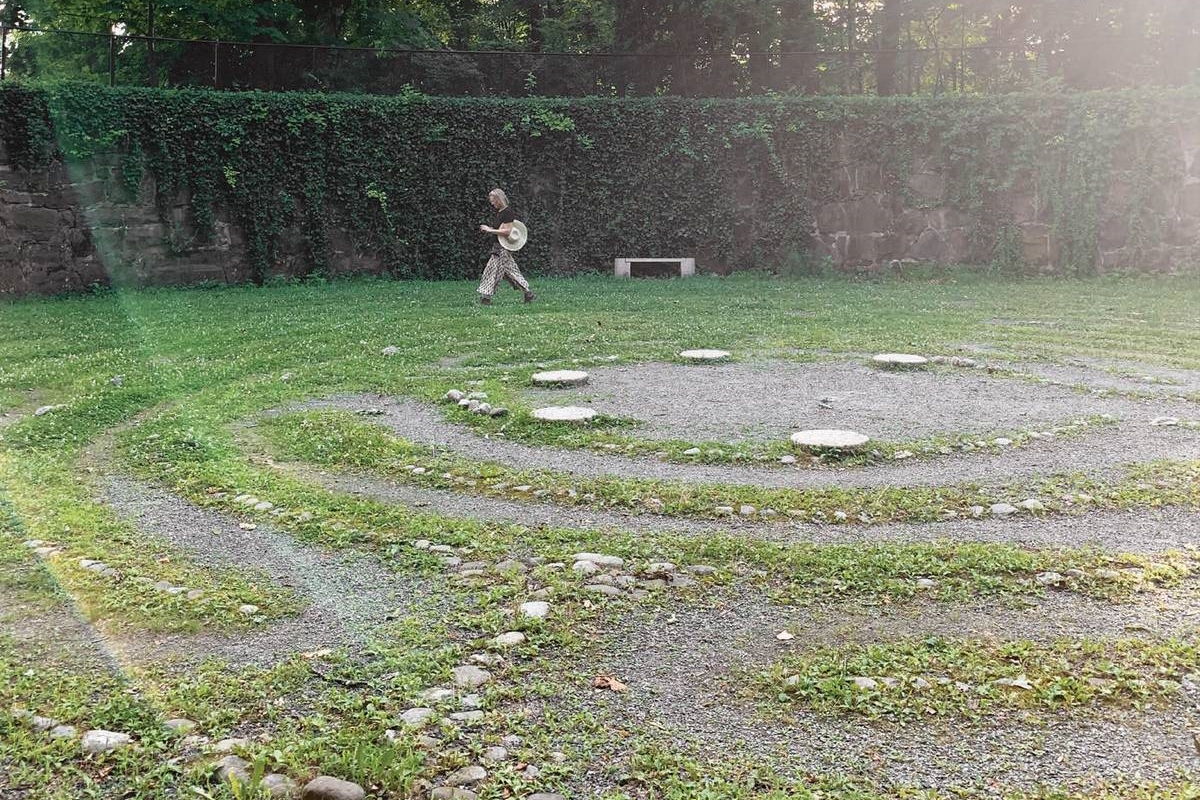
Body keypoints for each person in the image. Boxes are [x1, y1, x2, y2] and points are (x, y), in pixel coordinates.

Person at [477, 188, 535, 305]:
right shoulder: (500, 212)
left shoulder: (507, 212)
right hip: (498, 247)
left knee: (491, 271)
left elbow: (507, 232)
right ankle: (528, 293)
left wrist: (490, 230)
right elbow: (501, 229)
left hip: (501, 248)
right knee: (511, 271)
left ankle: (486, 298)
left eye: (493, 201)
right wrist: (490, 230)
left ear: (499, 199)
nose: (492, 203)